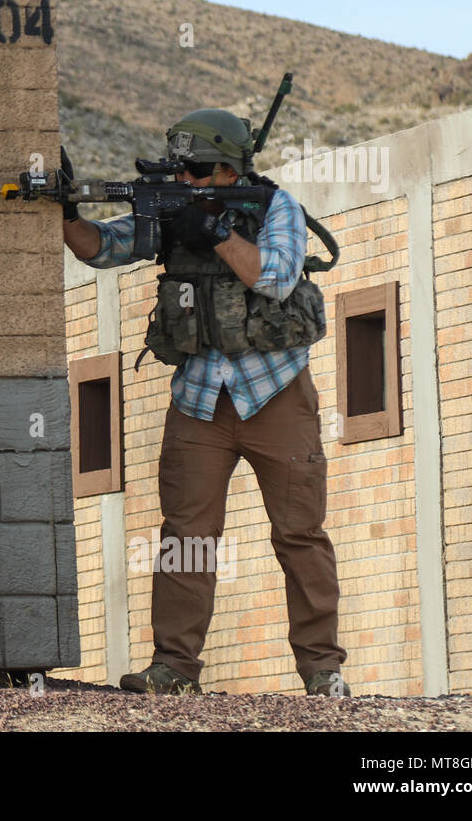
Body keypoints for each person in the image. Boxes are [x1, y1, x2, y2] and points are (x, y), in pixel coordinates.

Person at [61, 108, 350, 697]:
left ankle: (322, 671)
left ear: (228, 168)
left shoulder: (276, 209)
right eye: (179, 170)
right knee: (187, 535)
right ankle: (173, 668)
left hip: (277, 393)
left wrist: (216, 229)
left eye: (195, 170)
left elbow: (273, 277)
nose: (185, 180)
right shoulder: (175, 207)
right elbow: (99, 247)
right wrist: (66, 212)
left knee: (300, 534)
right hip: (199, 400)